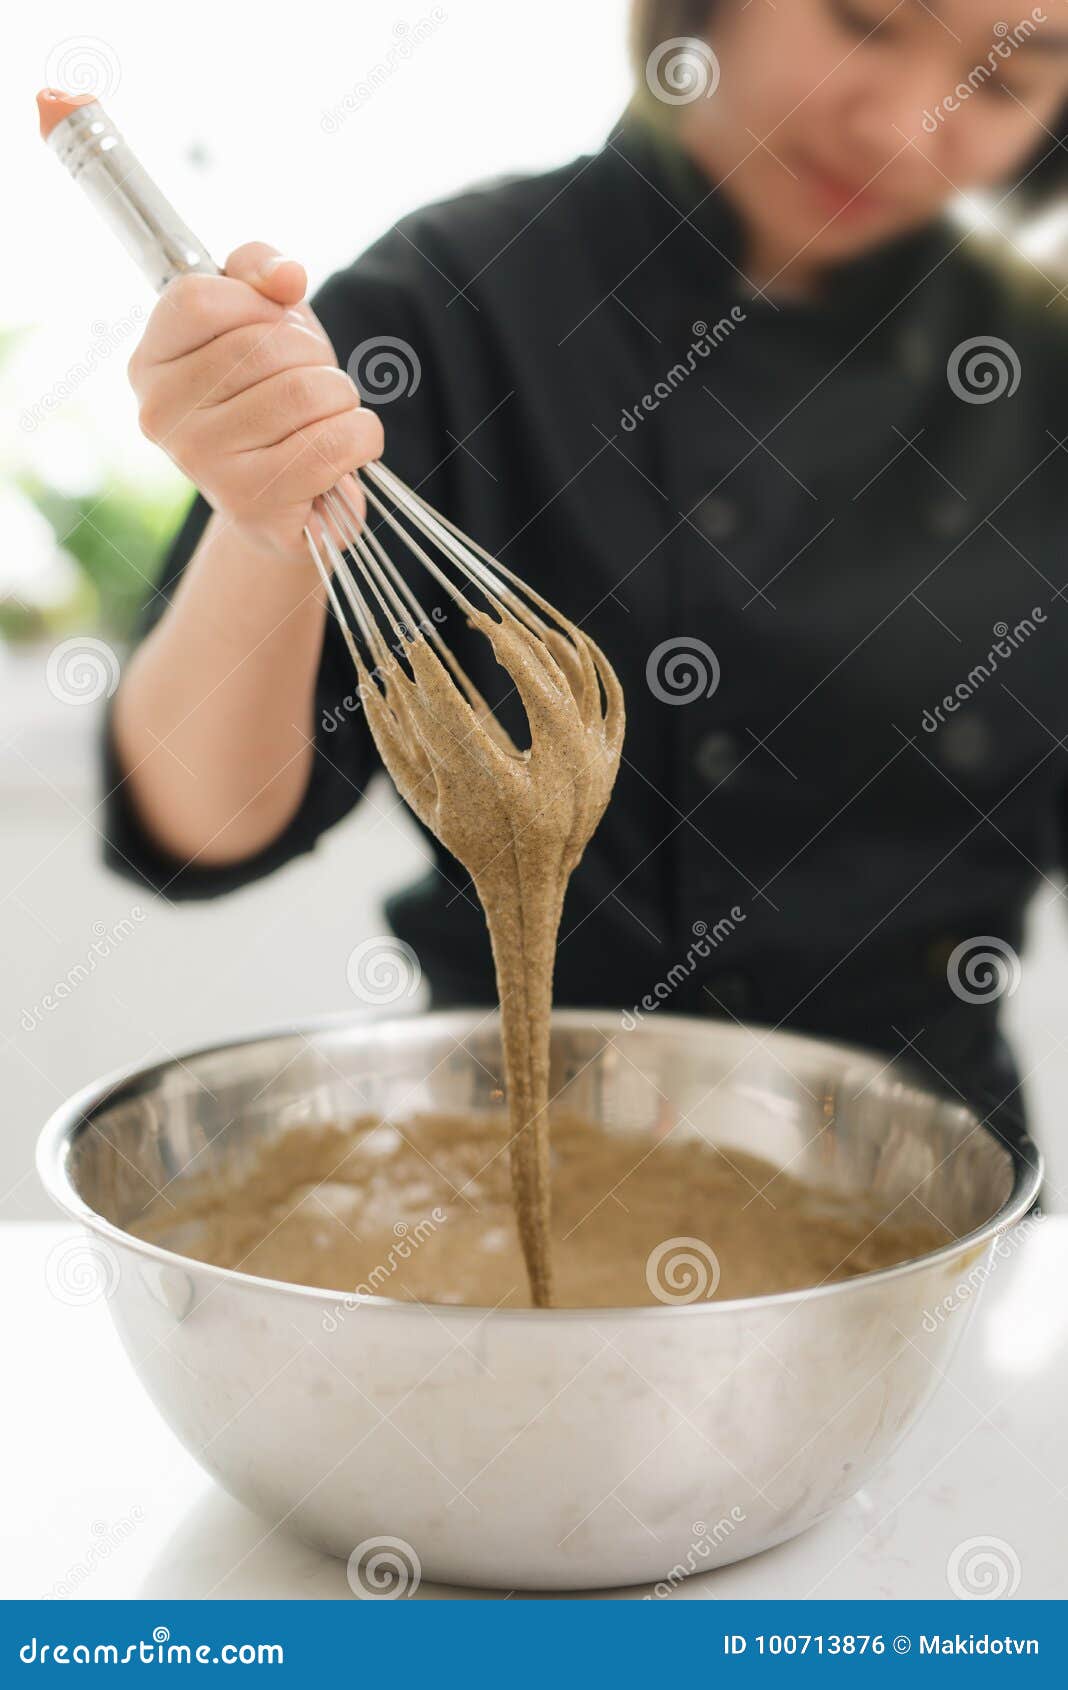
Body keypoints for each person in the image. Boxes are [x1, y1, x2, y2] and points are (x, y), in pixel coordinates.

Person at [104, 0, 1068, 1144]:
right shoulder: (452, 304)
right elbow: (198, 826)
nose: (909, 127)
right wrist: (265, 531)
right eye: (862, 22)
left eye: (1005, 86)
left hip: (926, 1195)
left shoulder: (1038, 370)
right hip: (516, 1159)